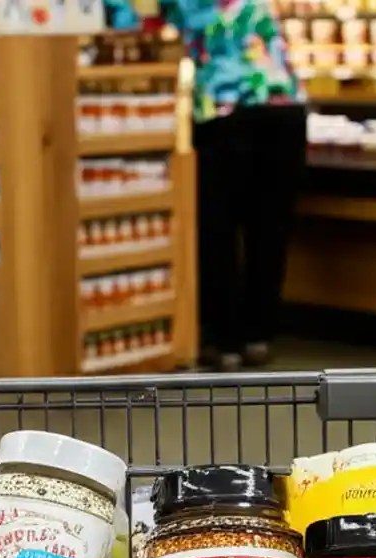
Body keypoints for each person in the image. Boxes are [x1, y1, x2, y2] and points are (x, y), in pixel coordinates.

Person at [127, 0, 307, 371]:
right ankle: (258, 335)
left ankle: (225, 340)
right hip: (284, 105)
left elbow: (127, 19)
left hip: (224, 110)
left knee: (217, 229)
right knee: (269, 229)